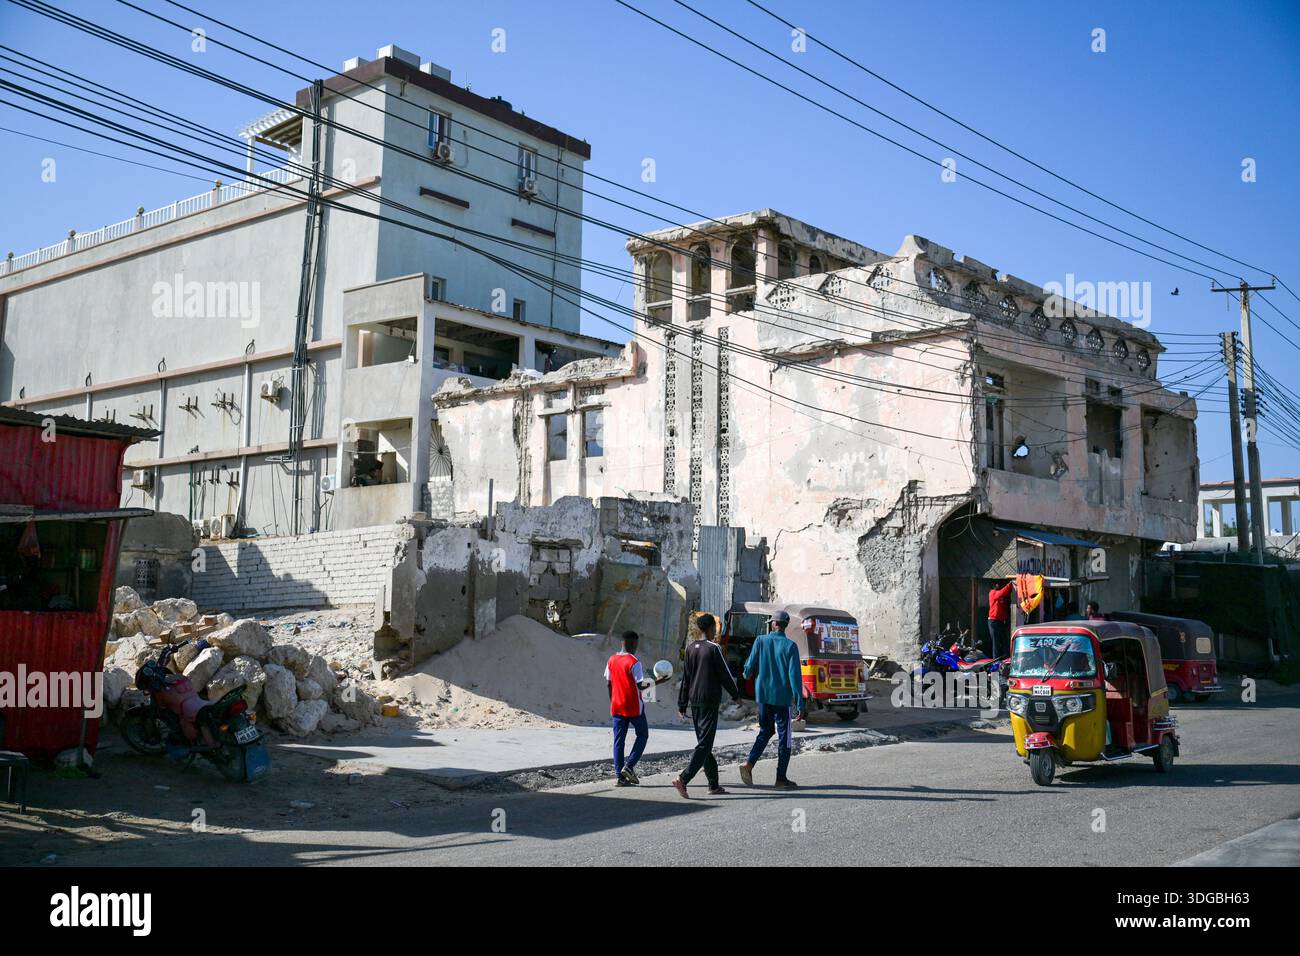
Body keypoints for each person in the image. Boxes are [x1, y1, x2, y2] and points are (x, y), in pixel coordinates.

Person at [672, 615, 740, 799]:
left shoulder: (690, 648)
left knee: (705, 743)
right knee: (705, 744)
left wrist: (682, 704)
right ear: (711, 628)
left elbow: (686, 678)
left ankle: (714, 784)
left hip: (695, 701)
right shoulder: (714, 649)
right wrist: (736, 695)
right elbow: (725, 675)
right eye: (715, 627)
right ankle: (683, 779)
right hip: (709, 700)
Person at [738, 610, 803, 790]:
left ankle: (749, 764)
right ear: (785, 626)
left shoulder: (760, 641)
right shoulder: (791, 646)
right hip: (782, 699)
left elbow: (748, 667)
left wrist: (746, 673)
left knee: (765, 731)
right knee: (786, 738)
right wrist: (800, 703)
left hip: (763, 697)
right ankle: (781, 778)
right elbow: (795, 678)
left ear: (774, 624)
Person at [604, 630, 667, 786]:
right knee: (643, 735)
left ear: (622, 642)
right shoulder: (634, 662)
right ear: (633, 643)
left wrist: (612, 701)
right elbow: (641, 685)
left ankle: (619, 777)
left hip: (617, 705)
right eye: (637, 644)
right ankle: (629, 766)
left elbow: (609, 683)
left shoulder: (611, 659)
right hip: (633, 706)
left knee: (618, 740)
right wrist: (659, 681)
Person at [987, 579, 1015, 659]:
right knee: (996, 642)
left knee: (1004, 640)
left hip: (1001, 621)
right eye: (997, 584)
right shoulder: (992, 593)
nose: (998, 585)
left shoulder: (1002, 596)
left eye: (999, 584)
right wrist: (1009, 585)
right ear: (993, 585)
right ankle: (995, 660)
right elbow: (1001, 593)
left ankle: (1005, 657)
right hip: (993, 621)